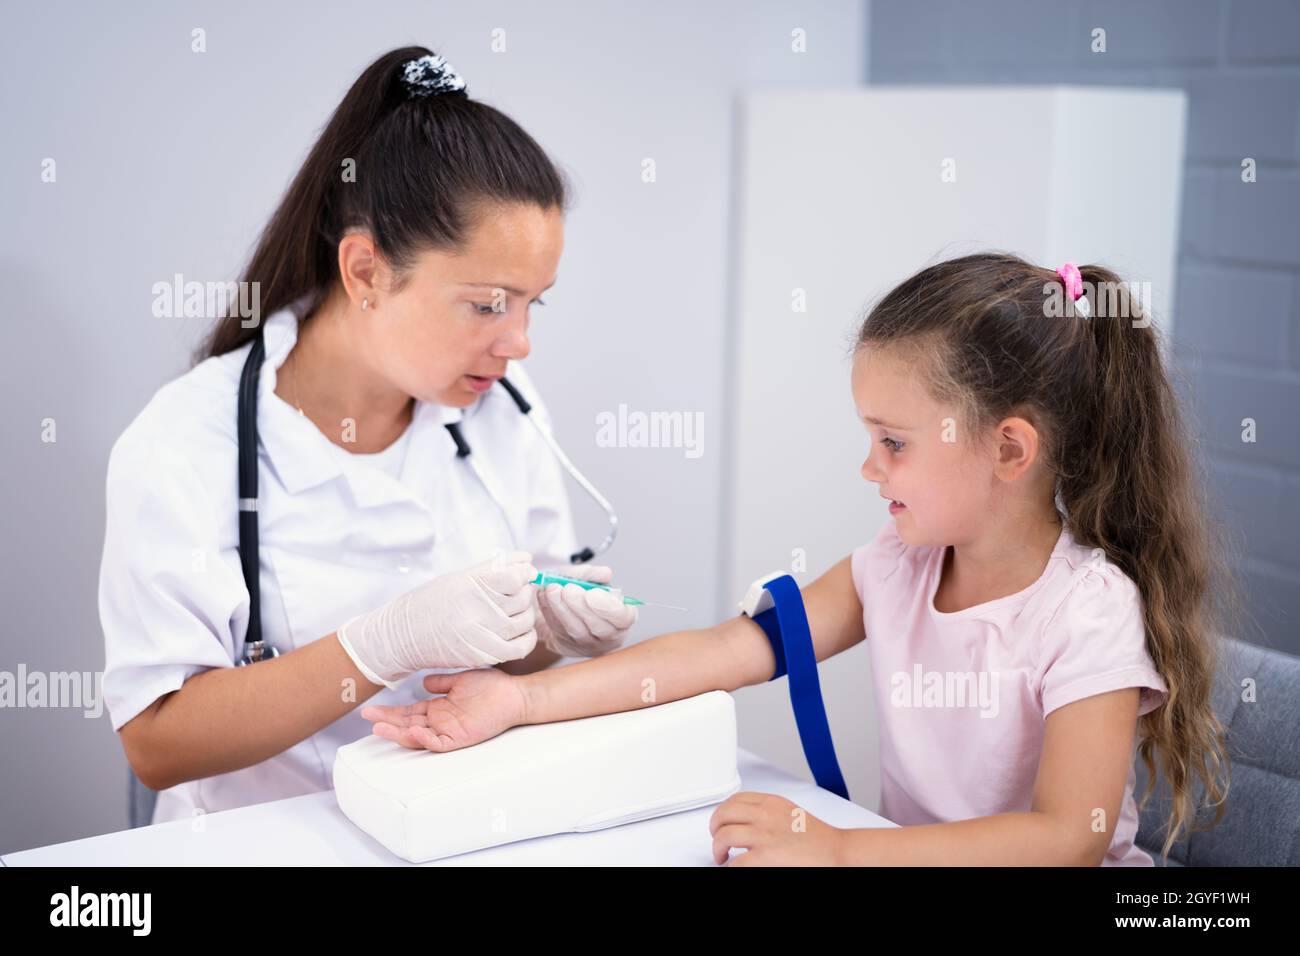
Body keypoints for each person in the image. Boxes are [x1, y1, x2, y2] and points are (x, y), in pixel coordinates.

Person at [362, 253, 1233, 866]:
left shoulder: (1086, 609)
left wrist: (843, 850)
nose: (869, 469)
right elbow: (720, 652)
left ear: (1010, 450)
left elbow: (1067, 838)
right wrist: (521, 697)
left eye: (893, 442)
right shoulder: (897, 568)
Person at [99, 47, 635, 825]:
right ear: (365, 271)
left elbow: (517, 650)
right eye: (488, 304)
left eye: (532, 306)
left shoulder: (502, 410)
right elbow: (158, 743)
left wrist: (548, 628)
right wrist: (382, 646)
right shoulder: (186, 443)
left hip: (463, 826)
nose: (518, 343)